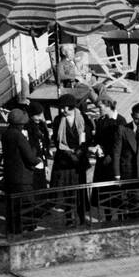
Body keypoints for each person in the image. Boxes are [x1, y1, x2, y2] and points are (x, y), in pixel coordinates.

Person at [0, 109, 44, 233]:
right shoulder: (19, 136)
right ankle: (28, 228)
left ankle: (13, 229)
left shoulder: (6, 134)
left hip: (10, 176)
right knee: (27, 204)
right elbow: (29, 158)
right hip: (22, 177)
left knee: (13, 205)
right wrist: (37, 158)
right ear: (20, 124)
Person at [51, 94, 92, 225]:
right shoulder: (58, 120)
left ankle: (81, 216)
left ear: (73, 108)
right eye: (62, 108)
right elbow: (57, 142)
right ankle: (69, 217)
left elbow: (88, 138)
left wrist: (79, 152)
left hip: (79, 162)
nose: (64, 111)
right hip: (65, 161)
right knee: (68, 191)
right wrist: (69, 153)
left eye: (67, 108)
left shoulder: (83, 118)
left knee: (80, 190)